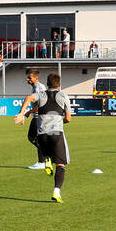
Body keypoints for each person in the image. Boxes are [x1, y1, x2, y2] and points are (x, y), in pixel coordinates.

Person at [15, 72, 72, 203]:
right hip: (56, 133)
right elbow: (68, 118)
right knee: (61, 164)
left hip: (42, 134)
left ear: (47, 84)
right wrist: (60, 122)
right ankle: (56, 192)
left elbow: (29, 98)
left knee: (43, 145)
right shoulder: (63, 96)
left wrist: (21, 113)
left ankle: (46, 159)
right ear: (59, 85)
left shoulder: (41, 95)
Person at [24, 69, 48, 170]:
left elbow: (41, 105)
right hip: (38, 116)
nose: (27, 79)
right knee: (32, 137)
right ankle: (45, 156)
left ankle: (42, 161)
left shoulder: (39, 88)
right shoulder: (35, 87)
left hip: (40, 116)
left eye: (30, 77)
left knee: (34, 137)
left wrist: (29, 112)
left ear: (36, 78)